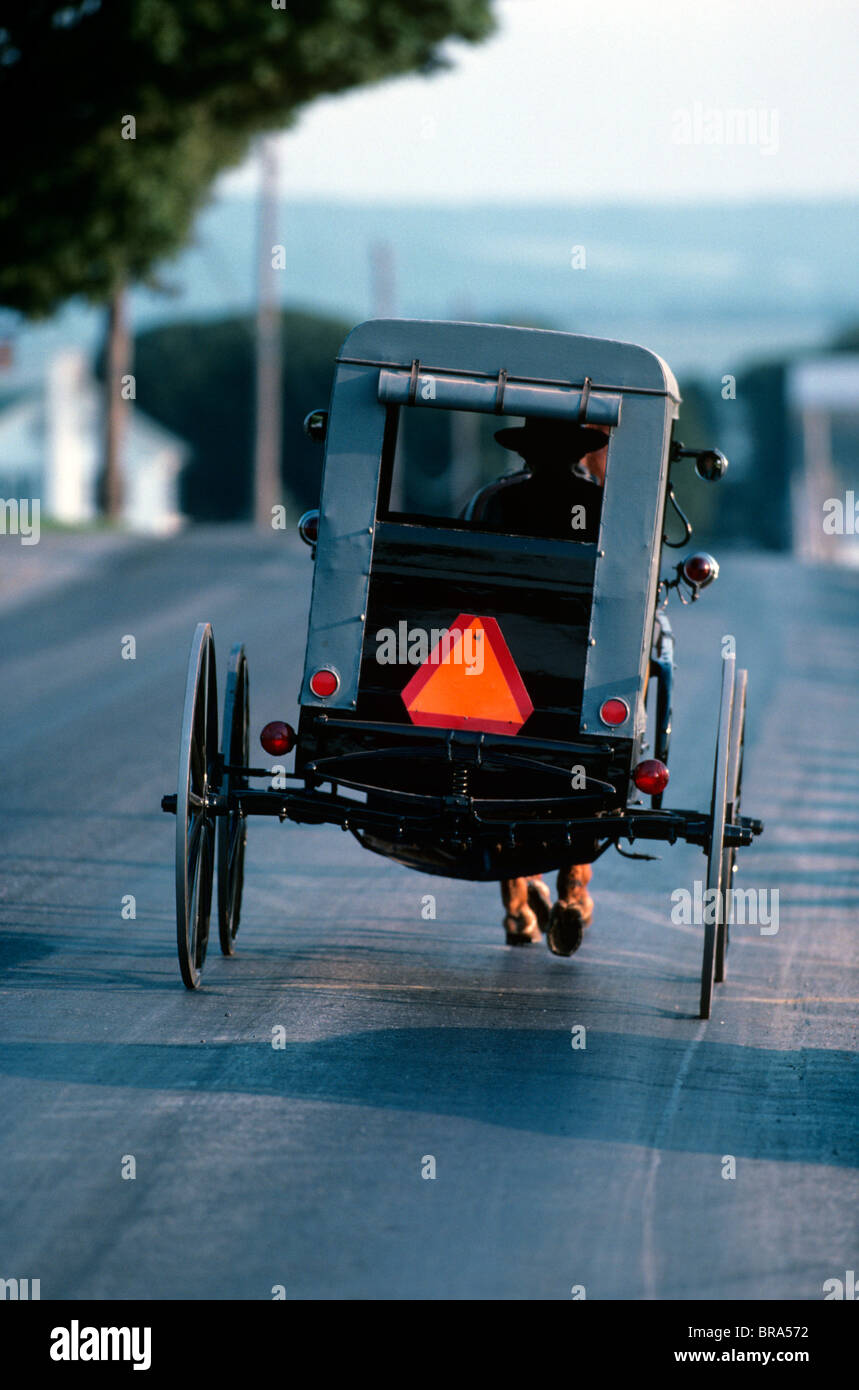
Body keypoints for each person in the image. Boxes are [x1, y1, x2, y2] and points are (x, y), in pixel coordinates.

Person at [464, 416, 610, 957]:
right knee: (589, 764)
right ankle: (572, 891)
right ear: (579, 454)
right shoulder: (598, 507)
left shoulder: (493, 501)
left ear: (525, 454)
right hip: (575, 666)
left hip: (495, 661)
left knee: (488, 764)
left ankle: (518, 905)